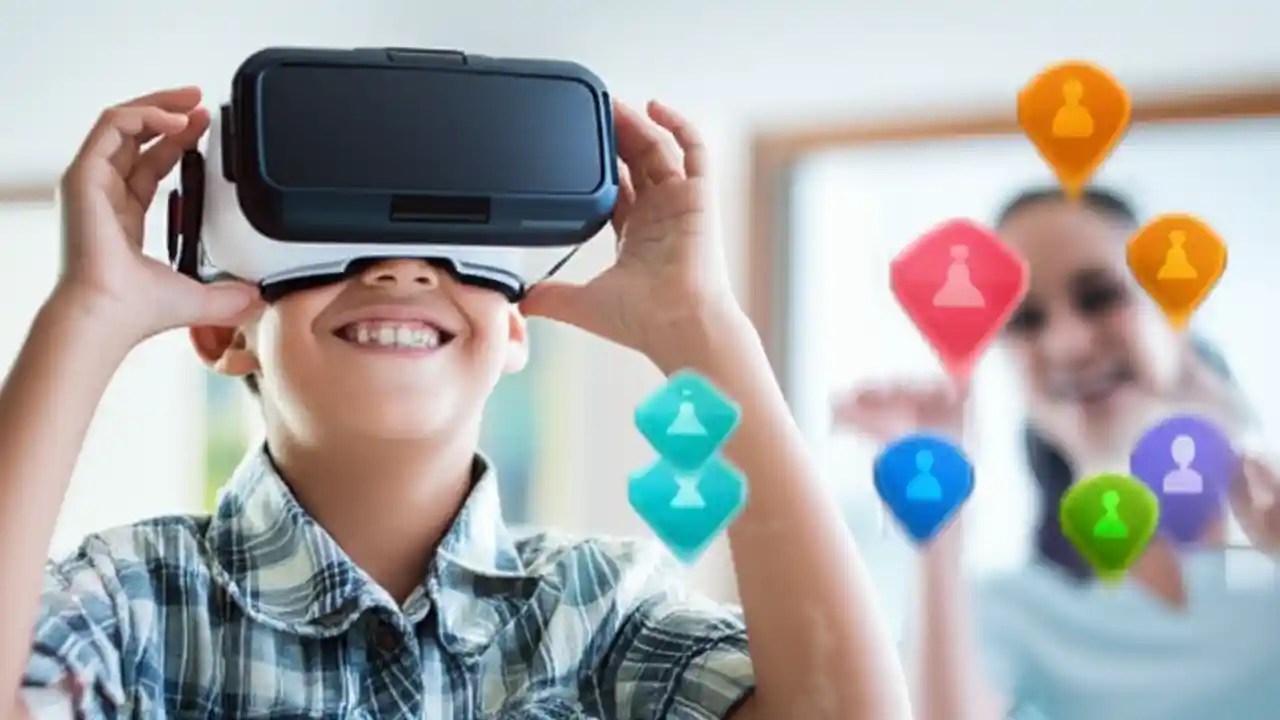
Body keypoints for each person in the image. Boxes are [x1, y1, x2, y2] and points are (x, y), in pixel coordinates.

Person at [0, 87, 912, 719]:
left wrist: (704, 330)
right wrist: (89, 316)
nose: (401, 266)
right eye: (331, 233)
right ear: (224, 328)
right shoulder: (133, 602)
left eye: (455, 240)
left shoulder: (599, 609)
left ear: (515, 329)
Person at [833, 187, 1280, 720]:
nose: (1066, 343)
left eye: (1100, 297)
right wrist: (940, 505)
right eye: (1025, 321)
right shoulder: (1009, 612)